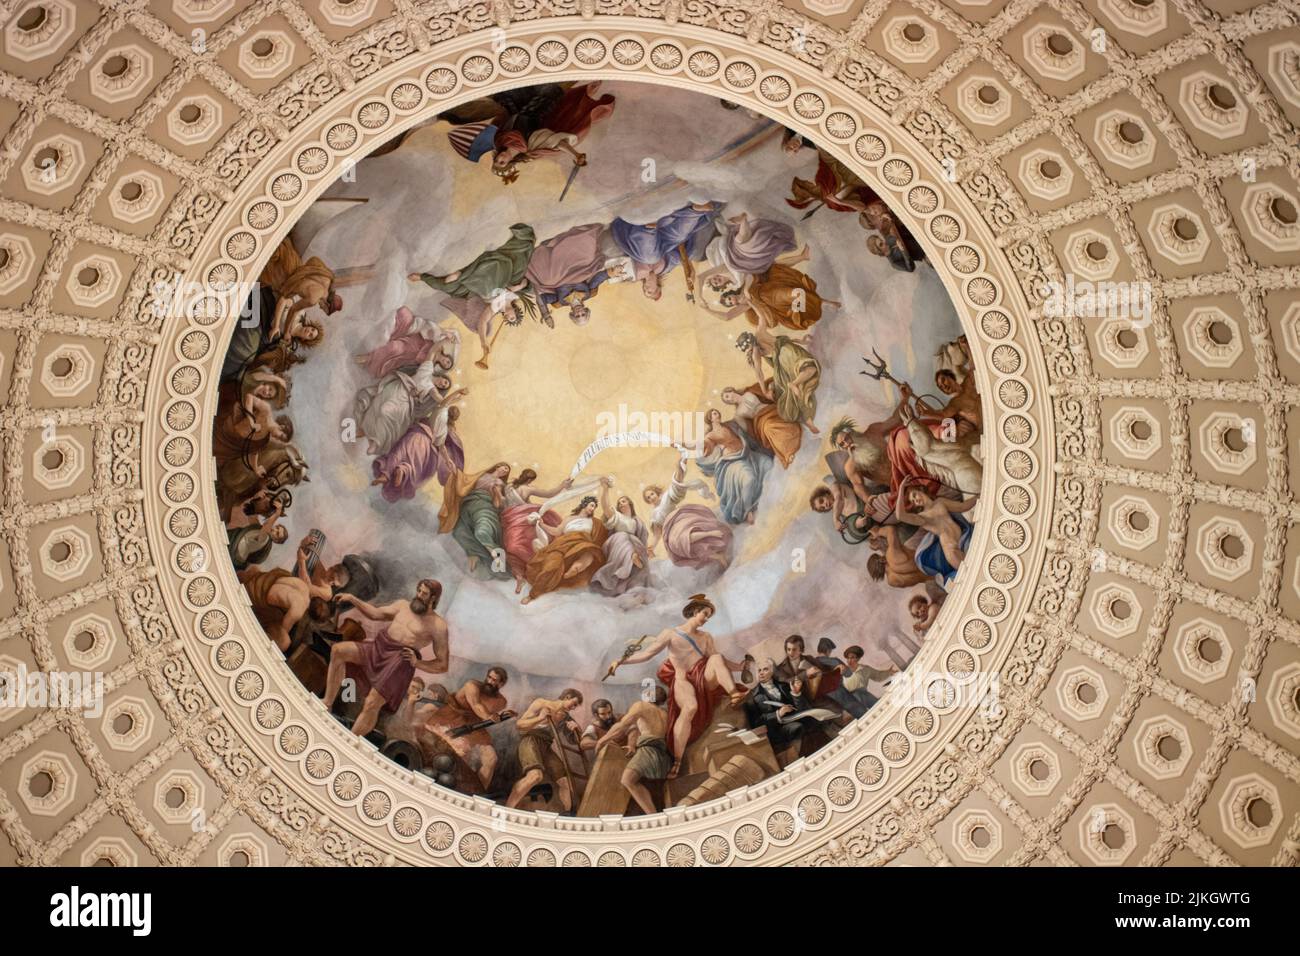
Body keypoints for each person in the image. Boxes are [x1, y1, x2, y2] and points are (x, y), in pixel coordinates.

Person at [605, 594, 748, 777]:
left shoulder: (706, 637)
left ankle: (734, 693)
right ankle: (678, 761)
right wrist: (620, 661)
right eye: (705, 614)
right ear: (695, 611)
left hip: (703, 677)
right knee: (690, 708)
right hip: (683, 680)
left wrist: (739, 667)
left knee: (716, 657)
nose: (706, 620)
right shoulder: (671, 634)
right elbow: (647, 654)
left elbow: (719, 662)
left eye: (708, 616)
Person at [322, 579, 449, 738]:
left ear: (433, 599)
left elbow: (443, 664)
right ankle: (327, 703)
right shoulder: (403, 605)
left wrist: (418, 663)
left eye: (424, 594)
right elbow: (376, 614)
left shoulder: (438, 625)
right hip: (379, 648)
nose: (418, 595)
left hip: (399, 663)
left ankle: (350, 740)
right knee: (338, 651)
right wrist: (353, 599)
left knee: (371, 704)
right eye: (419, 591)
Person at [418, 668, 513, 789]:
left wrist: (502, 716)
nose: (489, 681)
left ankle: (478, 791)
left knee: (491, 758)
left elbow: (485, 714)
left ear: (501, 684)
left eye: (494, 680)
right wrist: (490, 716)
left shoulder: (501, 701)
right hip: (451, 717)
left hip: (474, 724)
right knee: (443, 752)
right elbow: (477, 706)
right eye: (489, 677)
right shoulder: (471, 685)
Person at [520, 481, 613, 604]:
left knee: (590, 552)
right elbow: (557, 531)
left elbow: (605, 531)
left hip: (582, 544)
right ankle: (533, 595)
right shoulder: (569, 519)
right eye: (591, 505)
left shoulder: (595, 522)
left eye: (594, 507)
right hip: (562, 545)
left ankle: (574, 569)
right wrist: (542, 524)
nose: (592, 508)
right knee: (551, 566)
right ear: (584, 505)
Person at [644, 447, 732, 569]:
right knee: (684, 546)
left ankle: (710, 534)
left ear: (657, 493)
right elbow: (657, 534)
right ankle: (717, 557)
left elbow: (677, 482)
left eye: (651, 494)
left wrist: (681, 463)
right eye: (648, 498)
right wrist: (651, 547)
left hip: (680, 519)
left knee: (683, 537)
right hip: (670, 530)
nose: (651, 498)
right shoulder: (654, 515)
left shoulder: (667, 497)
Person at [593, 685, 672, 815]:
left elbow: (621, 726)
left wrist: (602, 740)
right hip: (662, 755)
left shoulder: (641, 705)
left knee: (627, 780)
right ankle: (654, 814)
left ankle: (652, 815)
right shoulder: (664, 713)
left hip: (648, 752)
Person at [504, 690, 585, 811]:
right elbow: (520, 725)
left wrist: (577, 730)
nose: (573, 708)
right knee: (535, 776)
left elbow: (575, 741)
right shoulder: (541, 703)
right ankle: (507, 809)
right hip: (530, 741)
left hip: (546, 747)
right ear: (567, 697)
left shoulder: (566, 718)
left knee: (565, 783)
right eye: (573, 704)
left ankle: (566, 815)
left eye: (576, 706)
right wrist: (540, 719)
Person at [895, 477, 978, 585]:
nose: (916, 501)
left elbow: (963, 506)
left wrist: (978, 496)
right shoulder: (922, 518)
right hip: (952, 550)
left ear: (921, 489)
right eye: (913, 501)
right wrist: (901, 488)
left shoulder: (940, 502)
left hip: (965, 537)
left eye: (915, 495)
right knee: (972, 575)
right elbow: (900, 516)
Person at [695, 408, 772, 525]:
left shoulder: (730, 425)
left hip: (747, 455)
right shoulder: (710, 435)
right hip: (733, 462)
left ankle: (770, 495)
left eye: (717, 412)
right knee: (749, 479)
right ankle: (747, 510)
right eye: (714, 413)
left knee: (768, 463)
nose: (718, 414)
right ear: (710, 419)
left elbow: (744, 432)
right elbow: (707, 448)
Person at [500, 469, 571, 592]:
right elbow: (549, 493)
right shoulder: (528, 488)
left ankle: (527, 571)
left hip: (510, 518)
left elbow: (519, 502)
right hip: (516, 518)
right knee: (520, 544)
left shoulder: (509, 486)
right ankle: (536, 567)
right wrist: (563, 485)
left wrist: (527, 504)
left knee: (516, 545)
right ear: (529, 480)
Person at [439, 462, 512, 575]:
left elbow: (498, 504)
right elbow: (463, 480)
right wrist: (445, 454)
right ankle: (474, 553)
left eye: (507, 471)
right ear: (498, 466)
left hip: (484, 505)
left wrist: (497, 492)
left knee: (482, 532)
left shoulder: (500, 483)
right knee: (459, 533)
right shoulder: (481, 475)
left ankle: (496, 553)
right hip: (468, 504)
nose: (505, 471)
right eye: (505, 468)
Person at [743, 657, 809, 755]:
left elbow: (800, 708)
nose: (761, 673)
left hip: (793, 720)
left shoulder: (784, 686)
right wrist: (778, 714)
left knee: (811, 720)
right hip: (774, 730)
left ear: (772, 671)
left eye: (765, 669)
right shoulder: (752, 696)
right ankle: (795, 757)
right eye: (759, 670)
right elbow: (756, 723)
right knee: (797, 727)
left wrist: (796, 694)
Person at [590, 493, 650, 596]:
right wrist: (605, 489)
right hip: (617, 542)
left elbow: (642, 539)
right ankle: (631, 556)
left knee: (636, 548)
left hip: (634, 543)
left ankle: (632, 584)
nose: (620, 504)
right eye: (619, 503)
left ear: (630, 504)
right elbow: (605, 506)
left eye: (623, 501)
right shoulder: (617, 516)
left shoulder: (637, 521)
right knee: (623, 536)